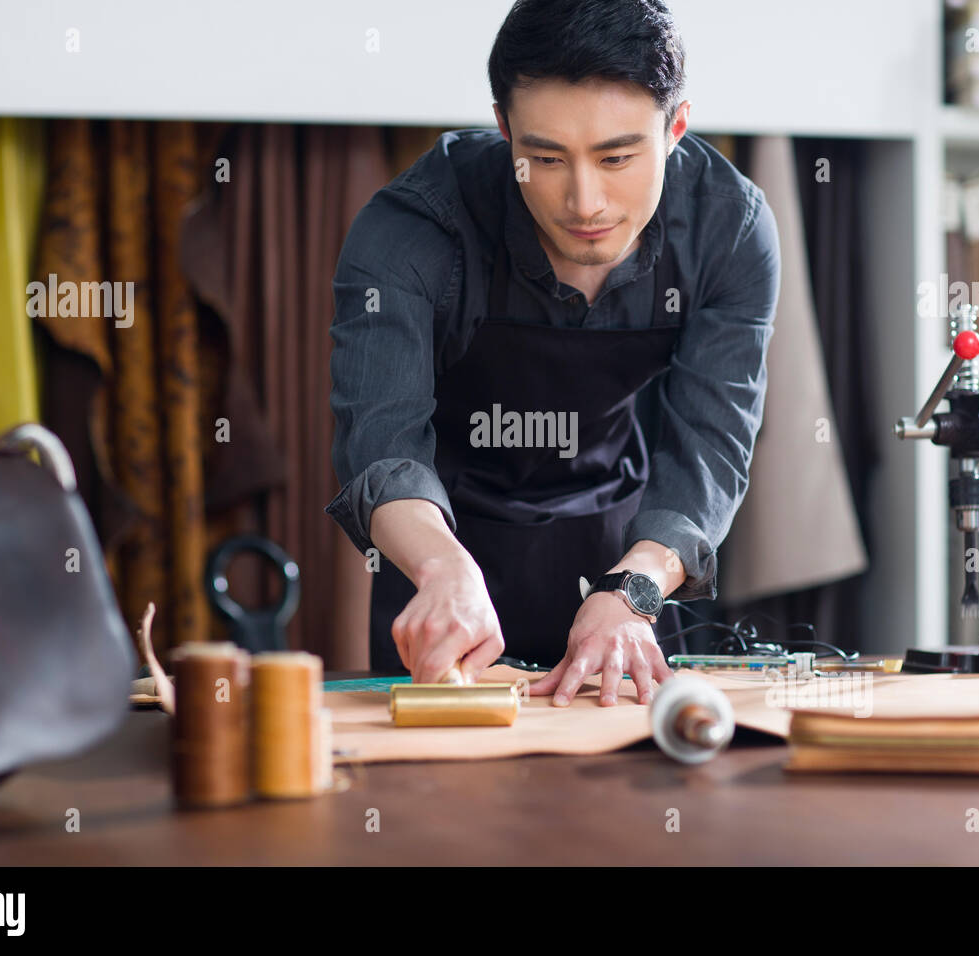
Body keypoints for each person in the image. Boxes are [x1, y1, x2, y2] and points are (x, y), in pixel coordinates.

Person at [326, 0, 780, 707]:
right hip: (442, 556)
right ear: (504, 130)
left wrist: (634, 590)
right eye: (543, 158)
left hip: (623, 555)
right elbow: (380, 439)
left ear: (676, 129)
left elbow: (710, 449)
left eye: (618, 157)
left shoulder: (730, 230)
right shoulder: (412, 228)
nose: (585, 201)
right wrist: (442, 568)